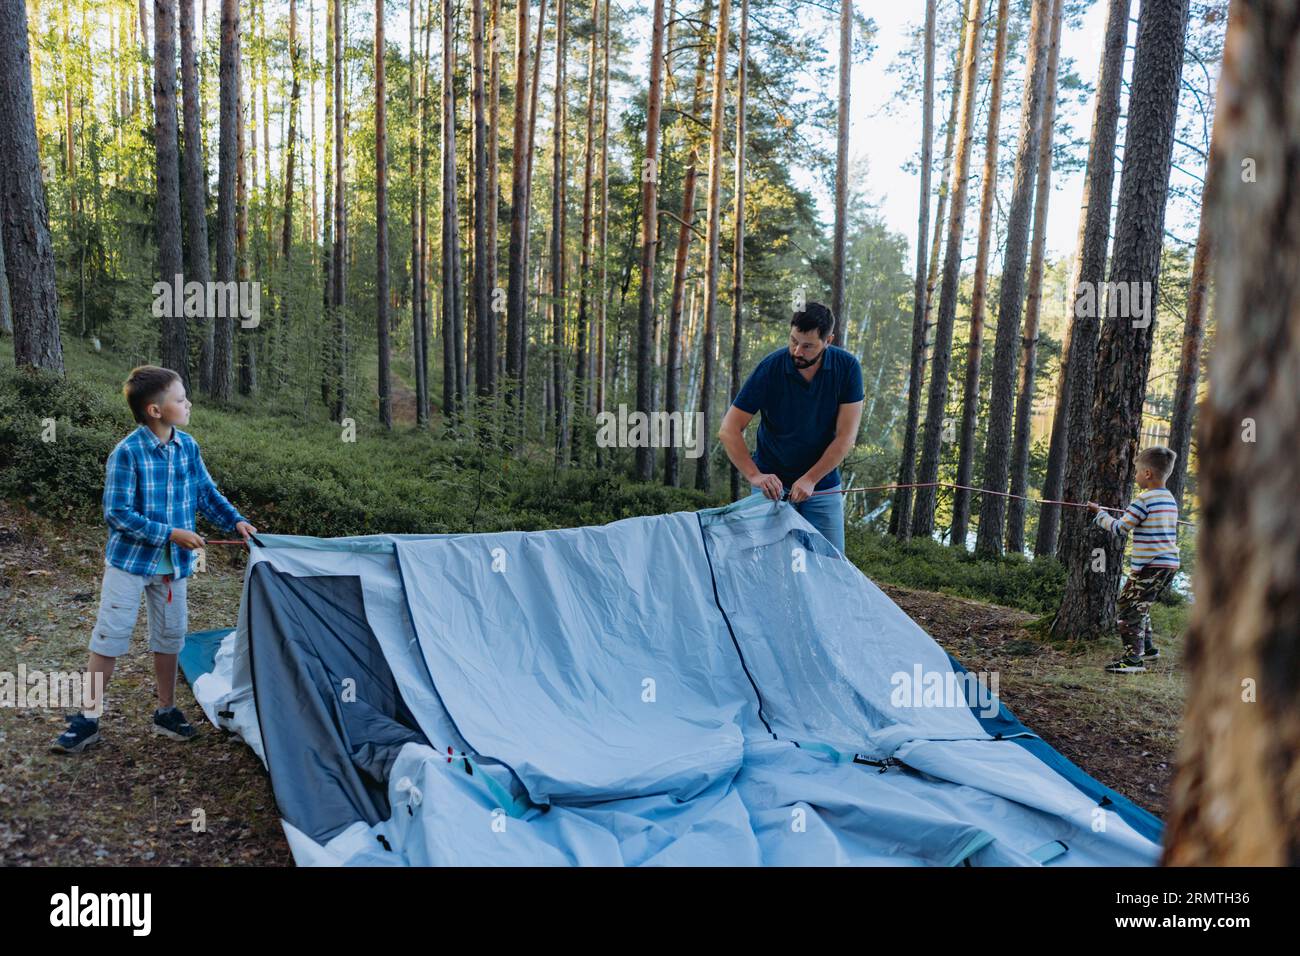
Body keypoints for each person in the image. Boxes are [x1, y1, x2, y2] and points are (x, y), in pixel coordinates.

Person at [51, 366, 257, 753]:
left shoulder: (188, 447)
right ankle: (88, 719)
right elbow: (117, 514)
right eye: (180, 399)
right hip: (129, 566)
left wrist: (237, 520)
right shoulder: (127, 452)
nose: (188, 403)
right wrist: (170, 533)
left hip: (172, 570)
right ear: (155, 410)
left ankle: (166, 711)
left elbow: (206, 493)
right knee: (110, 638)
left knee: (170, 638)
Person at [718, 301, 864, 554]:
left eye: (808, 346)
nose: (797, 351)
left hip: (823, 486)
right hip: (771, 488)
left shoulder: (848, 368)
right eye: (793, 341)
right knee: (768, 564)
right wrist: (755, 475)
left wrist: (810, 479)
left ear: (828, 340)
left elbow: (845, 438)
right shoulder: (770, 368)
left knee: (831, 564)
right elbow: (729, 429)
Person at [1088, 446, 1181, 674]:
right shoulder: (1169, 499)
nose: (1136, 476)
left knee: (1128, 607)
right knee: (1141, 604)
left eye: (1138, 472)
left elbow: (1120, 528)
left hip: (1150, 565)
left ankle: (1133, 660)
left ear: (1148, 473)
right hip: (1167, 564)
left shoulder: (1143, 499)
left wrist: (1099, 514)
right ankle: (1147, 649)